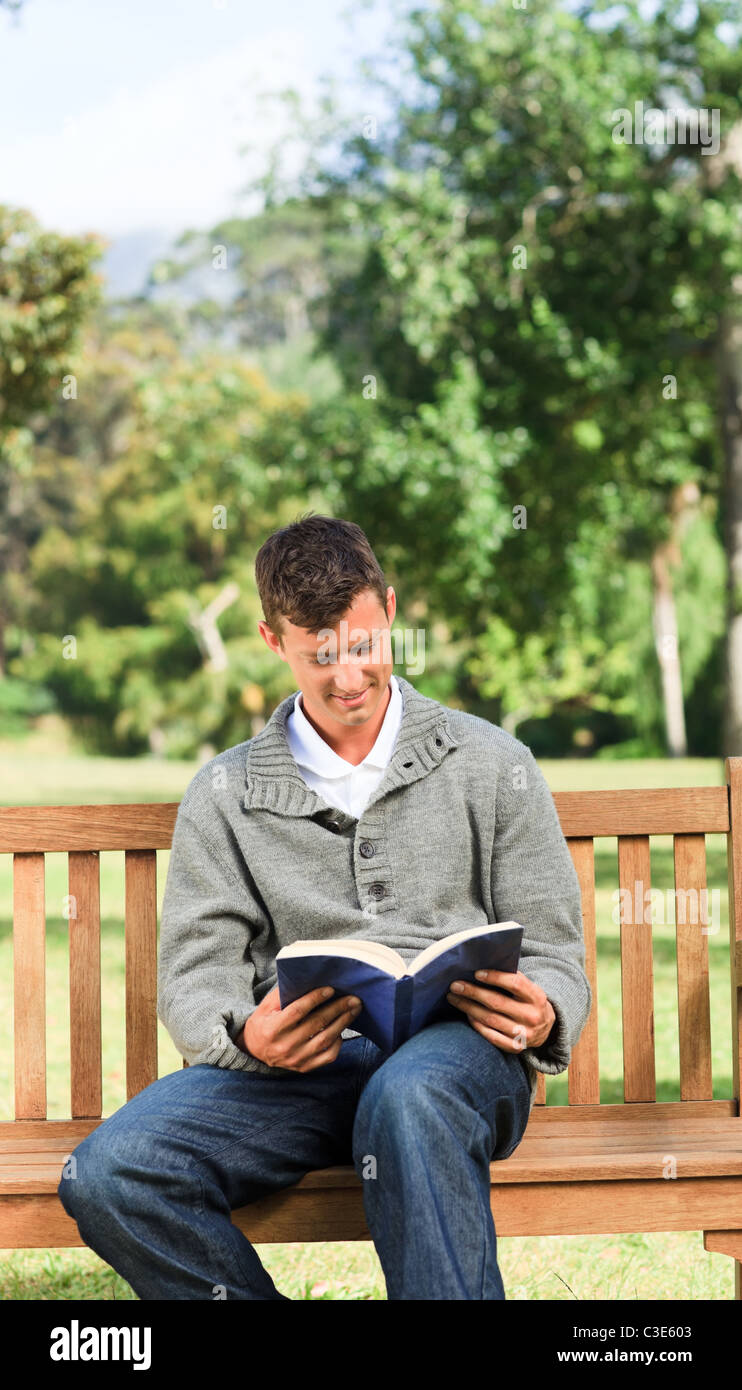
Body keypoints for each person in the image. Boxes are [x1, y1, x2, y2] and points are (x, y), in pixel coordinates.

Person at [58, 512, 592, 1300]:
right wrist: (249, 1035)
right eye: (319, 657)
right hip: (305, 1069)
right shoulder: (224, 795)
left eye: (363, 646)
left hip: (457, 1061)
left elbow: (554, 950)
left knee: (407, 1099)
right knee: (109, 1173)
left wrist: (543, 1015)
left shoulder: (495, 766)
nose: (348, 678)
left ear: (392, 610)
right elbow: (195, 978)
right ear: (274, 642)